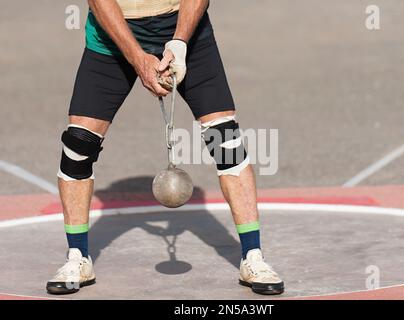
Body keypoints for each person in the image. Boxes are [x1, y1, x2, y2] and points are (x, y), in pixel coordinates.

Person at [46, 0, 284, 296]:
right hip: (113, 34)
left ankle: (253, 256)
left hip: (182, 28)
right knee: (78, 145)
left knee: (226, 141)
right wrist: (138, 59)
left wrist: (181, 42)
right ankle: (78, 257)